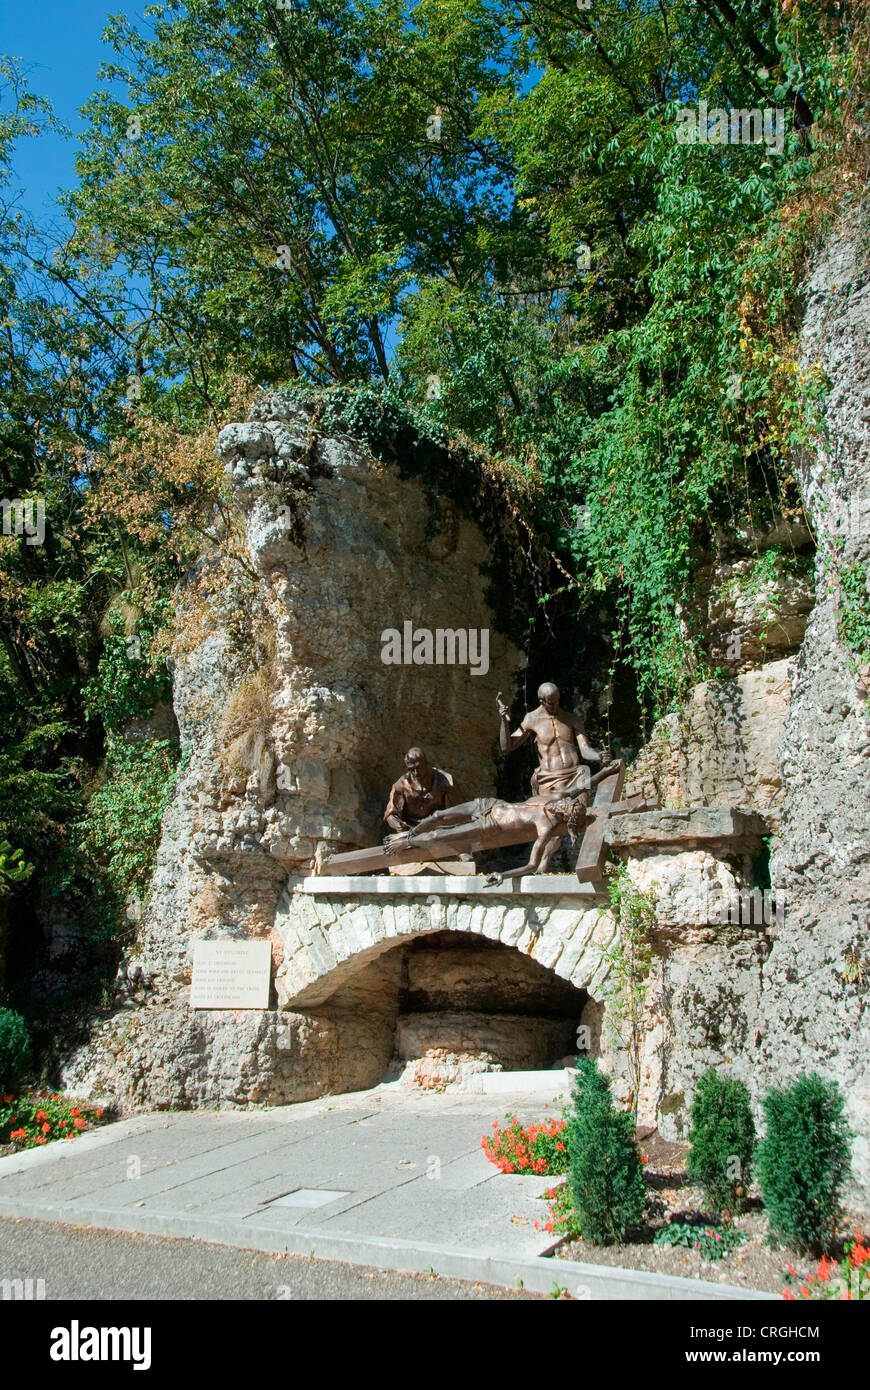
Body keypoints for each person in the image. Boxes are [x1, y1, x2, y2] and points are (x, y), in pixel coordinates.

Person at [384, 761, 621, 882]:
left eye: (567, 808)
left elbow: (531, 865)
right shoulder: (554, 798)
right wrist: (607, 772)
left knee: (440, 835)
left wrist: (503, 875)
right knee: (437, 817)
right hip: (489, 804)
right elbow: (581, 786)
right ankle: (408, 834)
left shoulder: (545, 827)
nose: (564, 804)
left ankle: (407, 842)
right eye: (567, 803)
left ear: (565, 816)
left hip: (491, 826)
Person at [497, 681, 610, 798]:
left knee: (582, 813)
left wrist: (599, 756)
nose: (555, 706)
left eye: (557, 701)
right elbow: (507, 747)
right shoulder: (532, 719)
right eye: (551, 703)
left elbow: (585, 750)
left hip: (576, 775)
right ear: (542, 701)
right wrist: (504, 721)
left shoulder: (571, 718)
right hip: (549, 780)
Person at [383, 747, 459, 834]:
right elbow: (390, 814)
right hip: (410, 831)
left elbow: (461, 809)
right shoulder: (401, 786)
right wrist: (399, 825)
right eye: (411, 769)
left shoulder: (445, 780)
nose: (415, 773)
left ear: (426, 764)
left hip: (438, 828)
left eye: (418, 768)